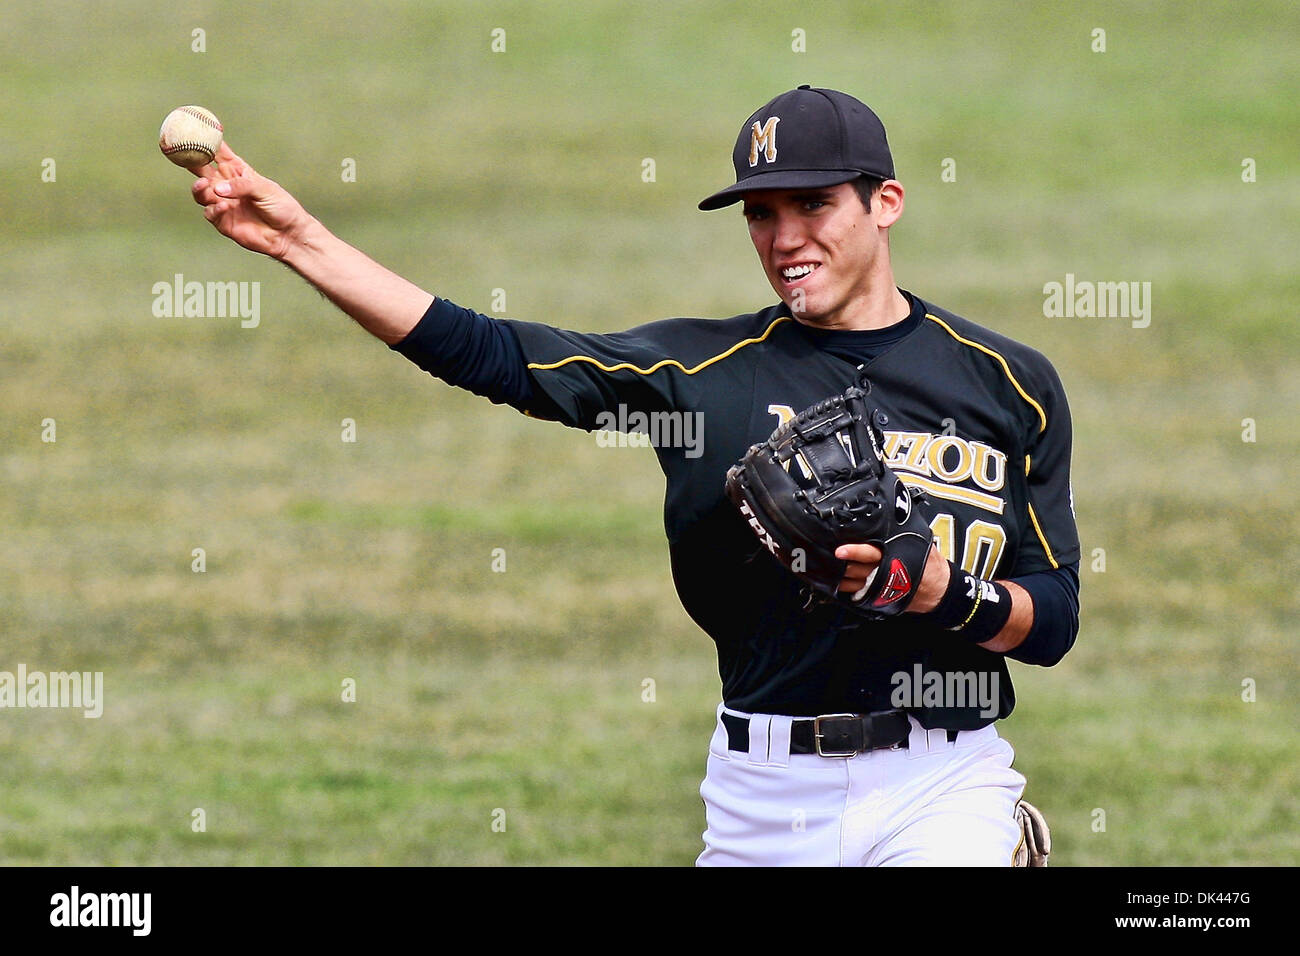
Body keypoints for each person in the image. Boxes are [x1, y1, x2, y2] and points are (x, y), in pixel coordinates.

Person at [188, 85, 1080, 866]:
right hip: (763, 797)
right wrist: (301, 242)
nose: (785, 238)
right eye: (761, 214)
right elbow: (494, 355)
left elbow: (1054, 620)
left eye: (812, 204)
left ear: (884, 202)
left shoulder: (1006, 384)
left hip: (941, 780)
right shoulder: (698, 376)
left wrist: (946, 594)